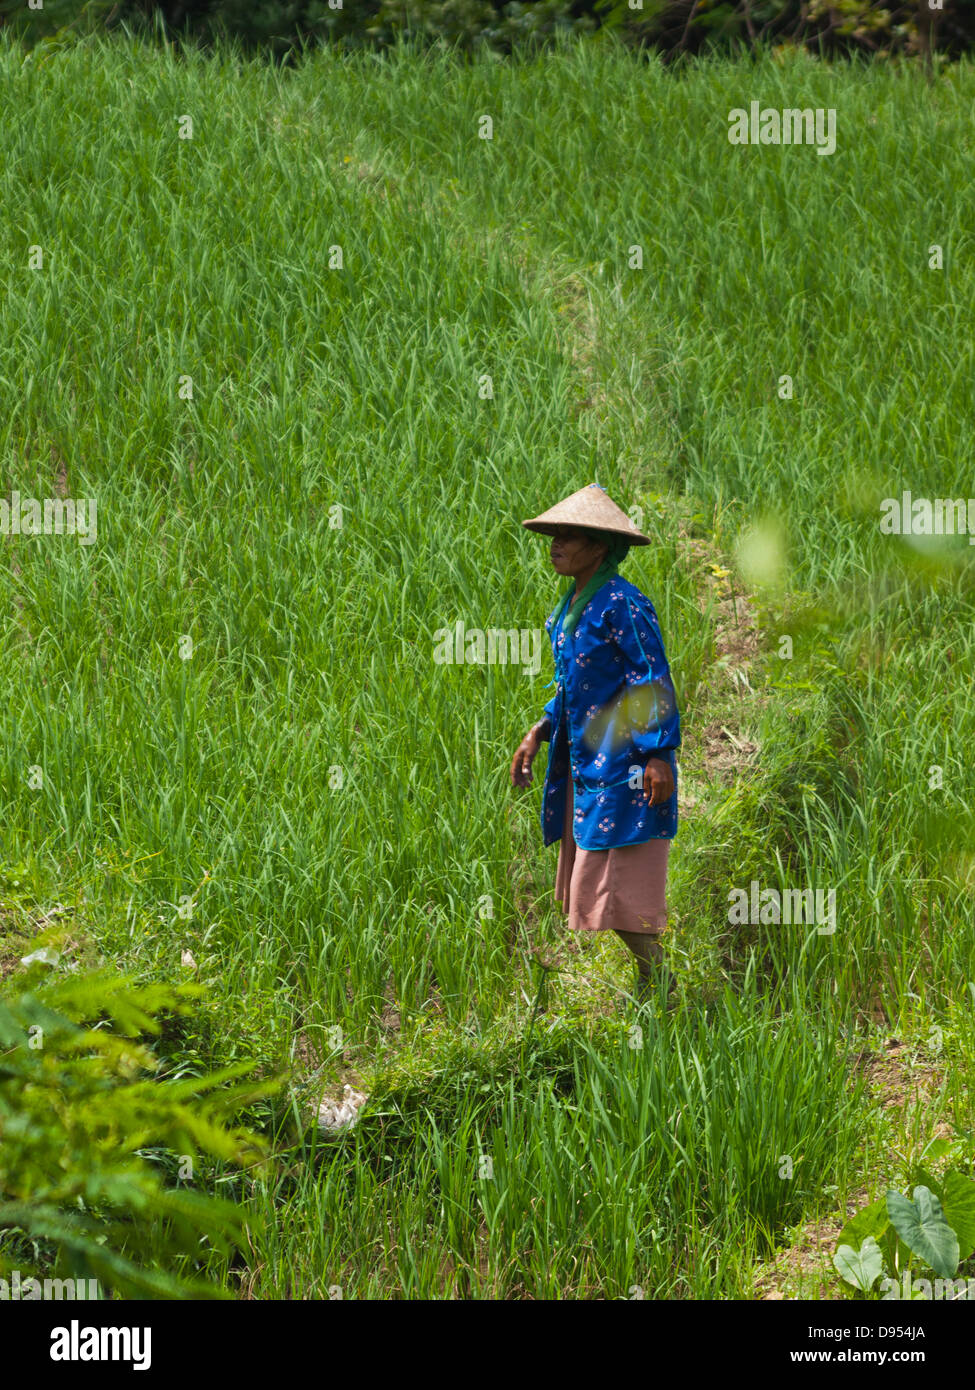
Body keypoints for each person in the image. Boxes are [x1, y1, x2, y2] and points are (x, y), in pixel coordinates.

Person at [509, 484, 680, 1005]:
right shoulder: (572, 607)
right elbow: (572, 687)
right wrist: (539, 731)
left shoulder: (623, 605)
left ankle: (663, 989)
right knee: (603, 880)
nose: (556, 544)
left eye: (569, 536)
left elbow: (651, 677)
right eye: (554, 535)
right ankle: (656, 987)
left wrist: (656, 753)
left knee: (610, 882)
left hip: (625, 764)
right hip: (588, 762)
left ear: (600, 546)